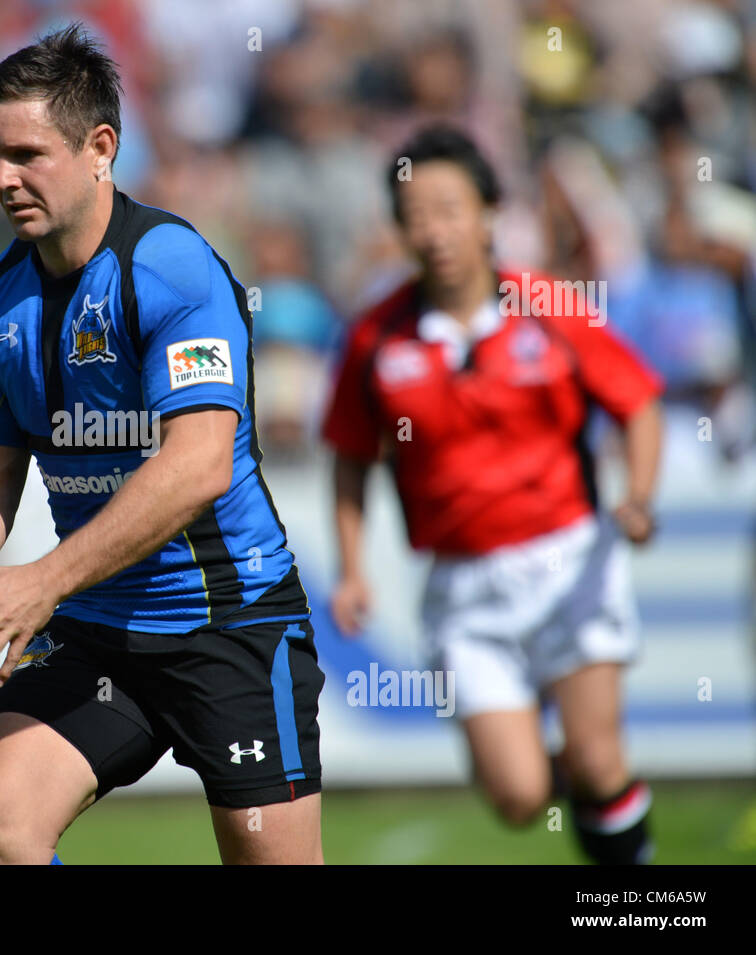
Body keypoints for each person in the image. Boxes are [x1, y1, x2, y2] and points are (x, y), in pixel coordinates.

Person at [0, 24, 325, 865]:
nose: (3, 178)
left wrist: (40, 584)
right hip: (99, 626)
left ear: (100, 146)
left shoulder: (173, 269)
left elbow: (197, 465)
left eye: (27, 153)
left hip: (230, 622)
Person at [322, 125, 664, 864]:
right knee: (518, 795)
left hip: (570, 562)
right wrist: (352, 568)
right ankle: (576, 788)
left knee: (601, 761)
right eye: (415, 214)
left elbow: (638, 401)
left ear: (488, 214)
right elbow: (350, 456)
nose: (434, 230)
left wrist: (637, 497)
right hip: (464, 585)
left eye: (451, 208)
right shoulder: (375, 339)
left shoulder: (550, 305)